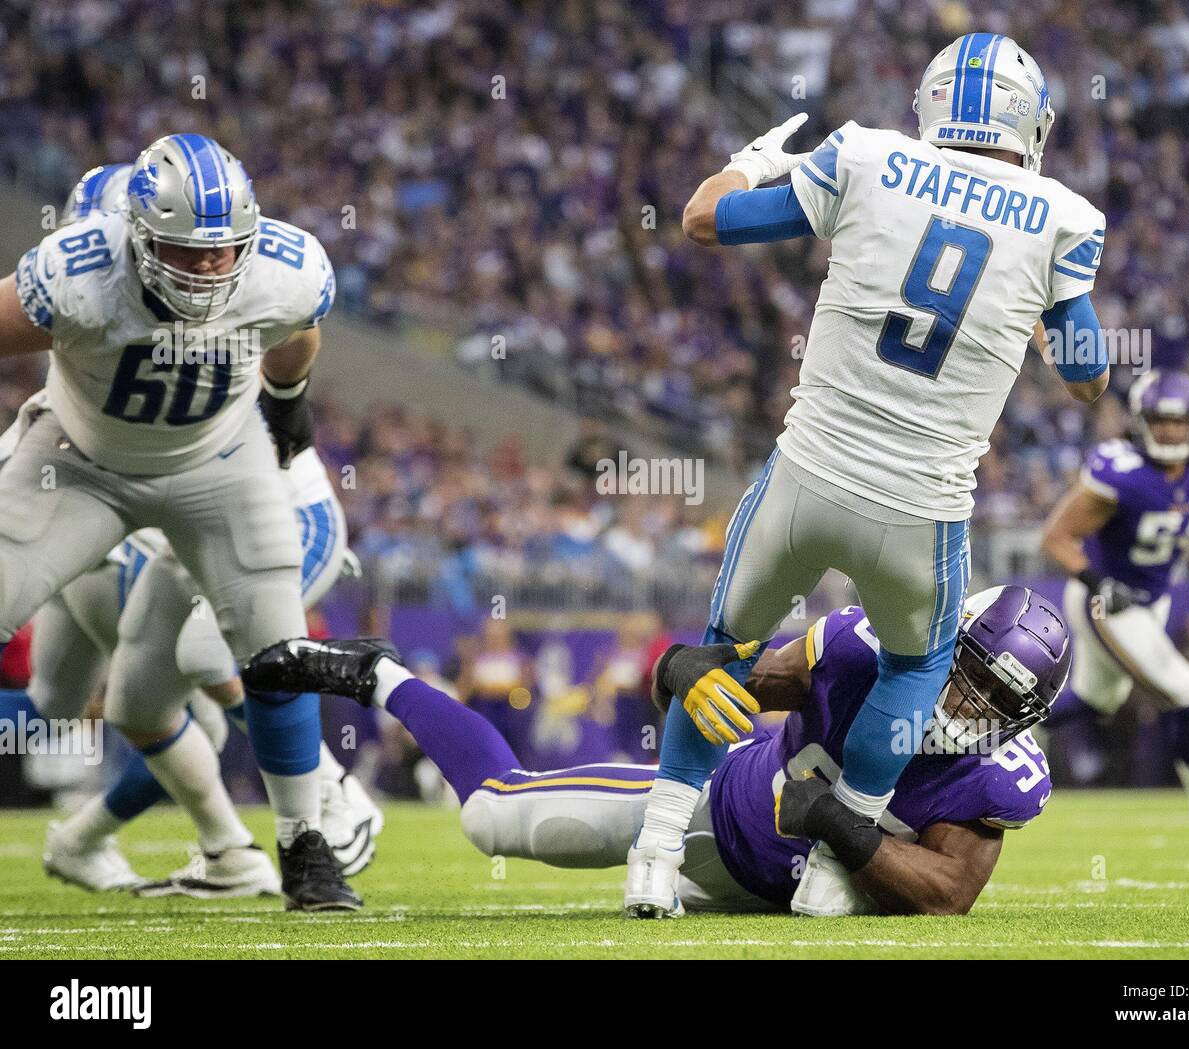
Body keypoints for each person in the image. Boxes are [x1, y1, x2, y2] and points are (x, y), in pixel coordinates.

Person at [631, 33, 1109, 917]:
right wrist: (1049, 322)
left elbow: (702, 218)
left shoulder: (865, 154)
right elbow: (1087, 377)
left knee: (722, 655)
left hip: (806, 475)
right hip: (920, 512)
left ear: (932, 104)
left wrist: (752, 161)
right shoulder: (1063, 218)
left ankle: (654, 855)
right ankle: (828, 868)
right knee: (917, 666)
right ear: (1031, 124)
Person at [0, 133, 358, 909]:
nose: (207, 267)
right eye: (185, 250)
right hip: (81, 461)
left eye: (222, 250)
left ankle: (304, 840)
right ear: (134, 235)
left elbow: (296, 327)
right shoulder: (79, 273)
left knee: (275, 639)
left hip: (215, 463)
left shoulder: (285, 269)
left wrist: (287, 401)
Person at [240, 584, 1070, 917]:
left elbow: (948, 894)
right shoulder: (858, 652)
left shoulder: (1001, 773)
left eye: (999, 703)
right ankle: (379, 673)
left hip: (768, 898)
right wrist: (679, 669)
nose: (970, 710)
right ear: (944, 646)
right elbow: (721, 687)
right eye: (970, 679)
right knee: (492, 816)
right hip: (715, 814)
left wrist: (838, 823)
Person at [1041, 369, 1189, 846]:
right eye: (1160, 420)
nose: (1169, 430)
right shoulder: (1121, 471)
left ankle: (994, 730)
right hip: (1105, 601)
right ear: (1140, 422)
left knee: (1097, 700)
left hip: (1151, 603)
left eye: (1179, 421)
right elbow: (1056, 538)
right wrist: (1100, 583)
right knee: (1187, 690)